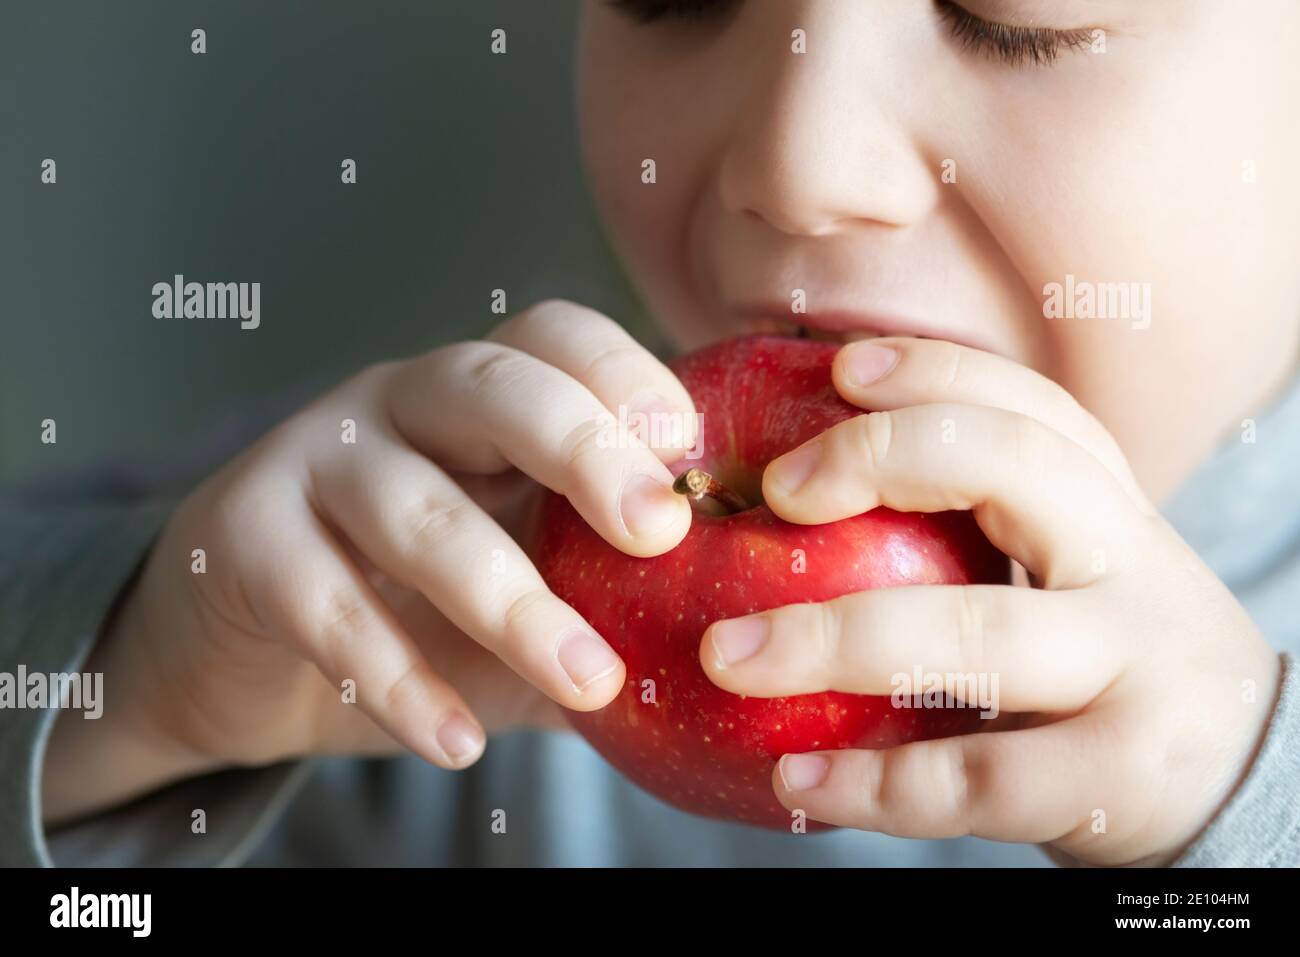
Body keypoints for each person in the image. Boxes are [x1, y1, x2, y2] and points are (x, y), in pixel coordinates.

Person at [5, 0, 1299, 866]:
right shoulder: (423, 560)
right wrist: (147, 690)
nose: (798, 162)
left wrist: (1247, 805)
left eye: (1018, 17)